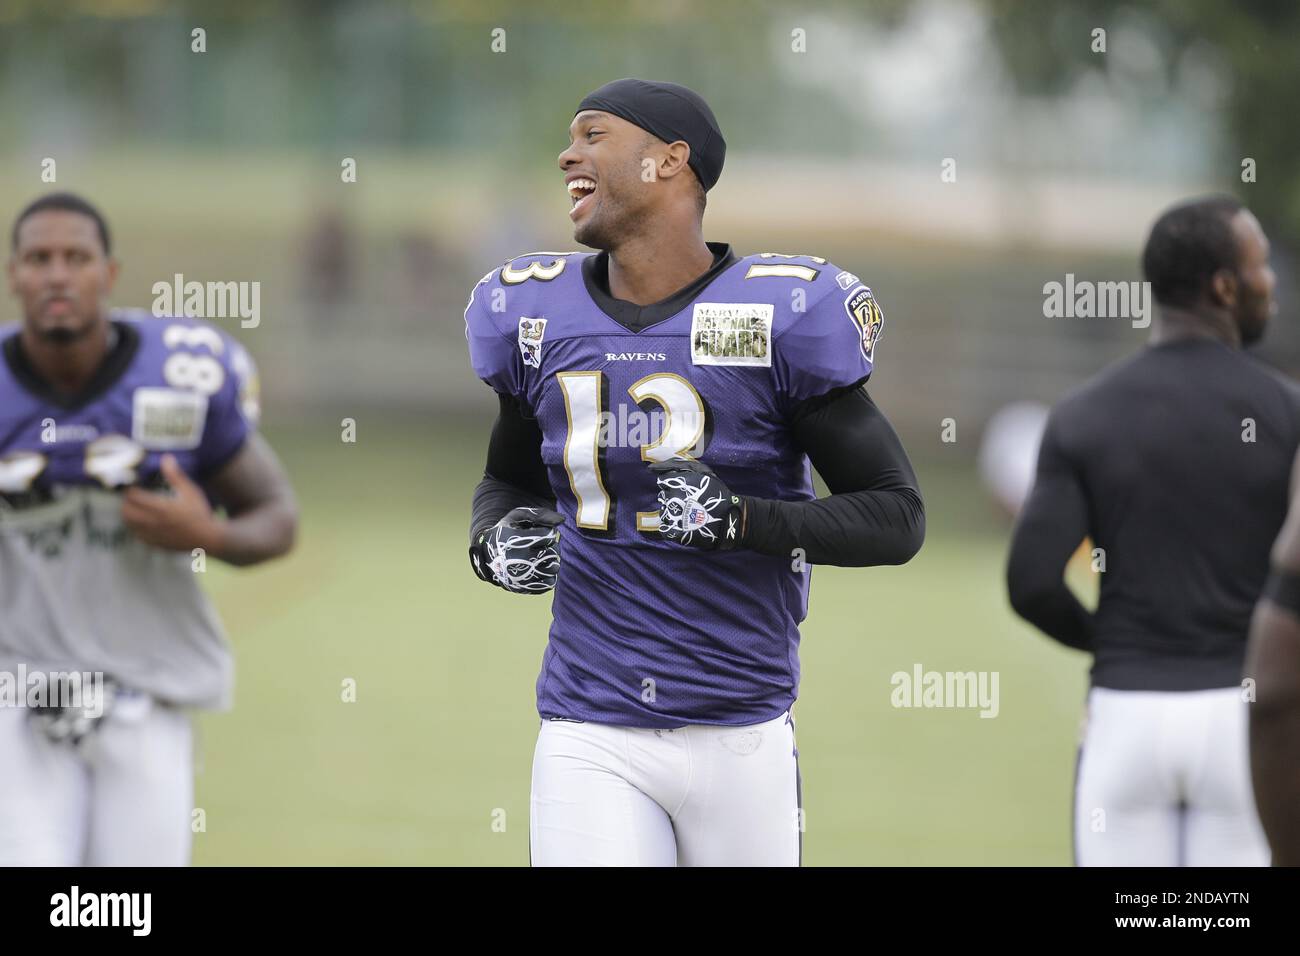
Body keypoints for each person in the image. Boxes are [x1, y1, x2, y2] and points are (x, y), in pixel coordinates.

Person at [464, 78, 924, 866]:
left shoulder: (774, 316)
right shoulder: (538, 317)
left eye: (593, 134)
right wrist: (491, 540)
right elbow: (505, 482)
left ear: (670, 161)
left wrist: (742, 521)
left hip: (740, 732)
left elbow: (895, 515)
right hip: (589, 727)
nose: (567, 153)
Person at [0, 192, 298, 865]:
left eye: (75, 258)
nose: (56, 275)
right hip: (14, 690)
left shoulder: (179, 373)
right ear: (13, 274)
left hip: (146, 689)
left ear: (108, 274)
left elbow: (277, 518)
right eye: (39, 259)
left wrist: (206, 534)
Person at [1007, 195, 1291, 866]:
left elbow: (1031, 584)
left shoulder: (1083, 415)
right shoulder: (1288, 414)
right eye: (1262, 267)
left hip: (1127, 715)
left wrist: (1118, 643)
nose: (1271, 282)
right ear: (1225, 286)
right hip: (1240, 718)